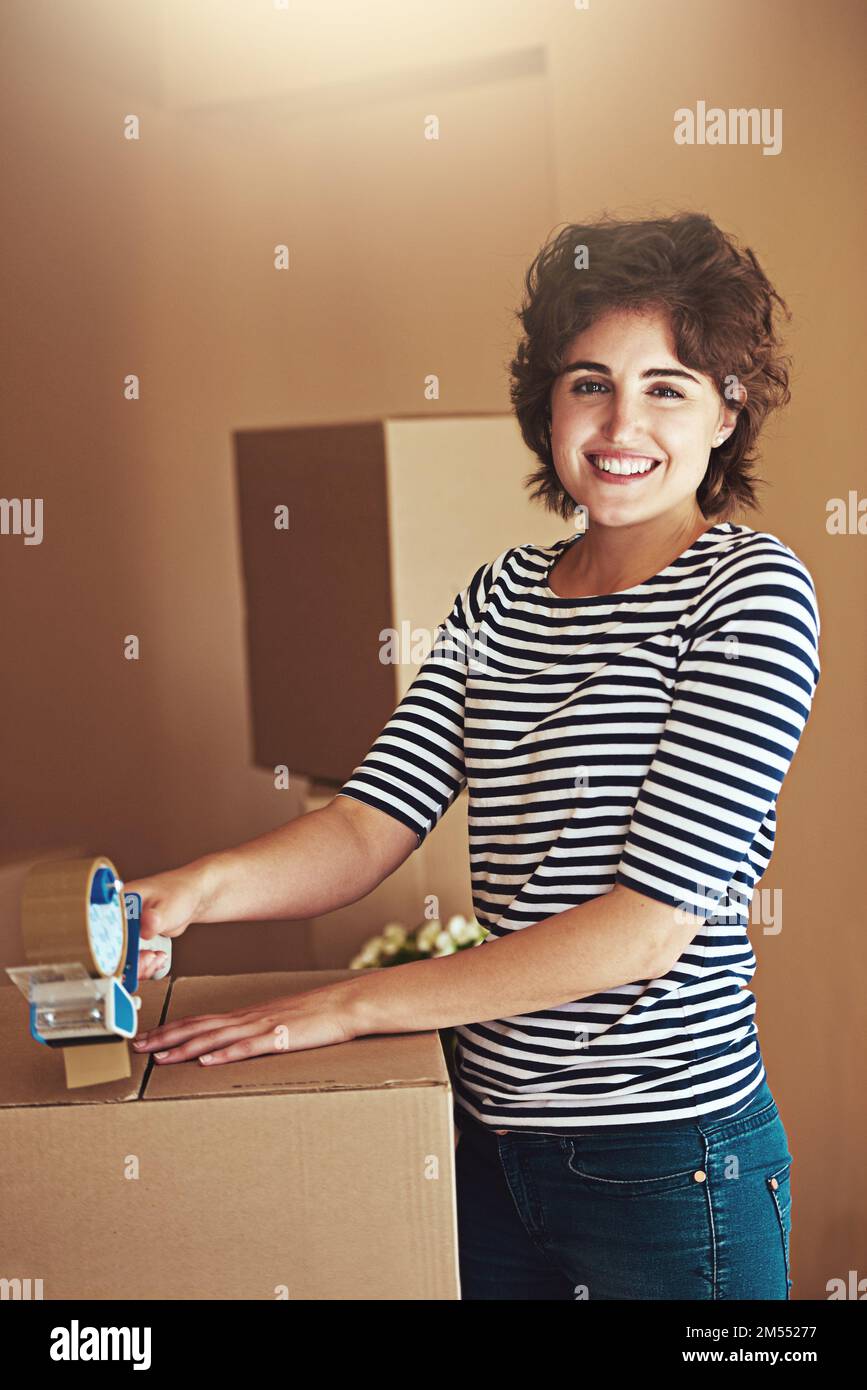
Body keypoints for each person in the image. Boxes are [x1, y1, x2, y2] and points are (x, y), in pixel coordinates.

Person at [129, 212, 820, 1300]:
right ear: (547, 401)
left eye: (668, 387)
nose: (619, 421)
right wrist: (181, 895)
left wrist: (349, 1003)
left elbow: (646, 931)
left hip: (670, 1167)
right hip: (487, 1148)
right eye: (589, 382)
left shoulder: (751, 594)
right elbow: (371, 823)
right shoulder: (498, 596)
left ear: (729, 412)